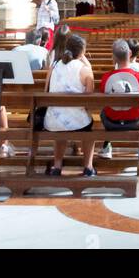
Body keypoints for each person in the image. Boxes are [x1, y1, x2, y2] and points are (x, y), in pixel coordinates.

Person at [98, 39, 139, 160]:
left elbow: (104, 103)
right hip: (136, 122)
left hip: (111, 123)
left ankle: (106, 146)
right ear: (129, 54)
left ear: (113, 57)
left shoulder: (106, 77)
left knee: (104, 108)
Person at [45, 33, 96, 176]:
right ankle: (88, 166)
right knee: (91, 129)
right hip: (77, 122)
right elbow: (88, 100)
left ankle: (57, 166)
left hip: (53, 120)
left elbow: (46, 90)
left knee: (61, 128)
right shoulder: (85, 70)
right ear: (82, 51)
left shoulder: (54, 66)